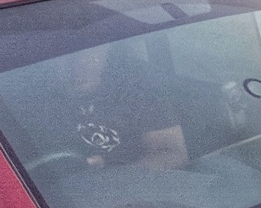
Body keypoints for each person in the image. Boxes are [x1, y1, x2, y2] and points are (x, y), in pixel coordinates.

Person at [59, 45, 188, 170]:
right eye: (69, 57)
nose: (78, 66)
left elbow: (172, 154)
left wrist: (113, 176)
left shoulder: (139, 89)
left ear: (106, 51)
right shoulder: (45, 94)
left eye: (88, 56)